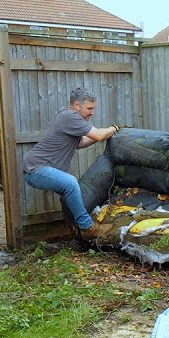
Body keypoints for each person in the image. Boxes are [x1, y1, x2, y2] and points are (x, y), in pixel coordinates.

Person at [21, 87, 120, 239]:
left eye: (93, 108)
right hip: (36, 169)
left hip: (37, 169)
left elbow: (81, 142)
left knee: (69, 193)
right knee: (70, 183)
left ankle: (74, 228)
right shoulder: (70, 116)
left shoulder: (68, 118)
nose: (92, 112)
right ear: (76, 105)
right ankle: (88, 228)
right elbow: (98, 135)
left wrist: (102, 136)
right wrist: (114, 128)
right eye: (89, 108)